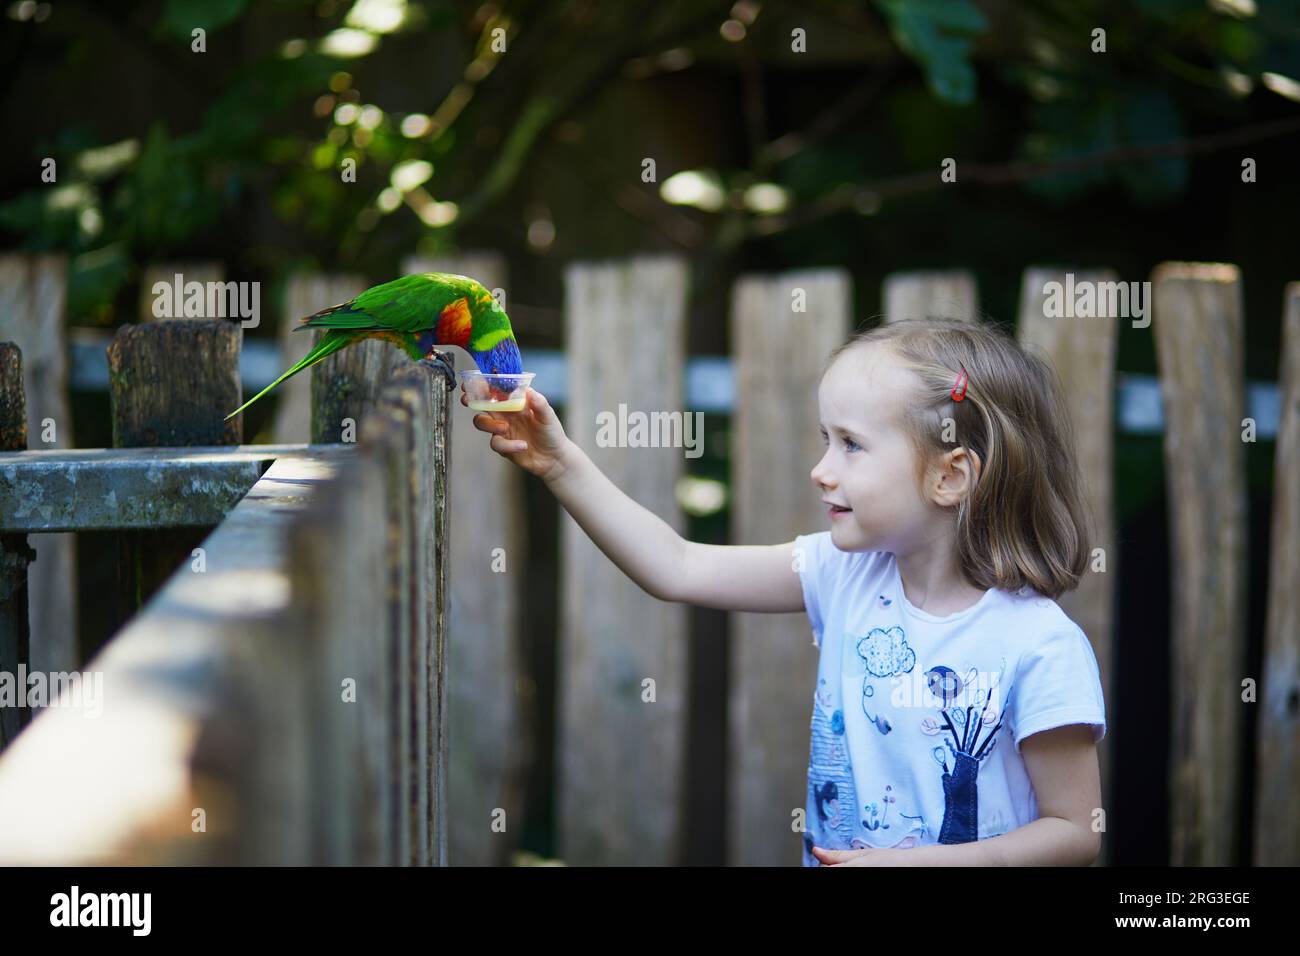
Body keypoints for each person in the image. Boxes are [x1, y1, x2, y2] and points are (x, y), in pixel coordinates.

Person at [460, 316, 1107, 866]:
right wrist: (559, 462)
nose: (821, 471)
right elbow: (676, 567)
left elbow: (1076, 833)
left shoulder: (1040, 647)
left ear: (950, 475)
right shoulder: (846, 574)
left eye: (852, 445)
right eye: (827, 441)